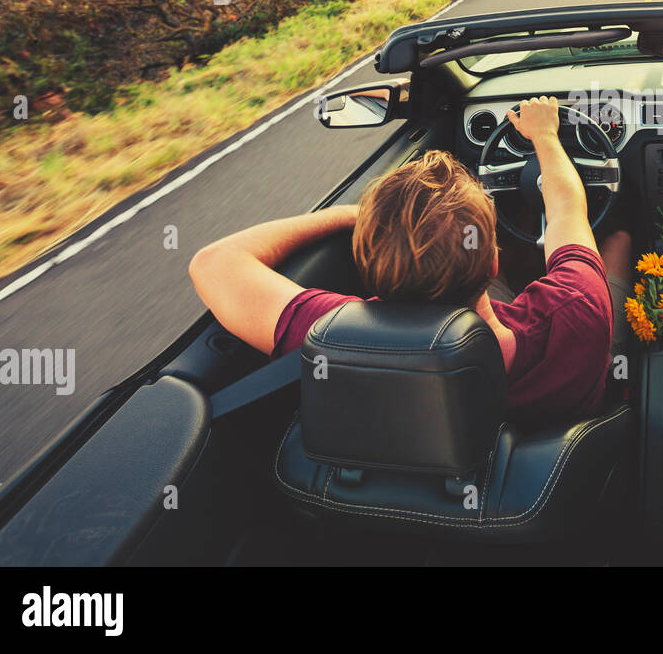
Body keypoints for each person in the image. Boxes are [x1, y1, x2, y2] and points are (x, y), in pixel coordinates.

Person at [189, 95, 632, 427]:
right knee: (619, 237)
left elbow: (215, 261)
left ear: (368, 269)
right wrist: (546, 136)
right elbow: (565, 208)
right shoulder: (577, 306)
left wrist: (347, 215)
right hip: (549, 453)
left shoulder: (338, 336)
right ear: (493, 262)